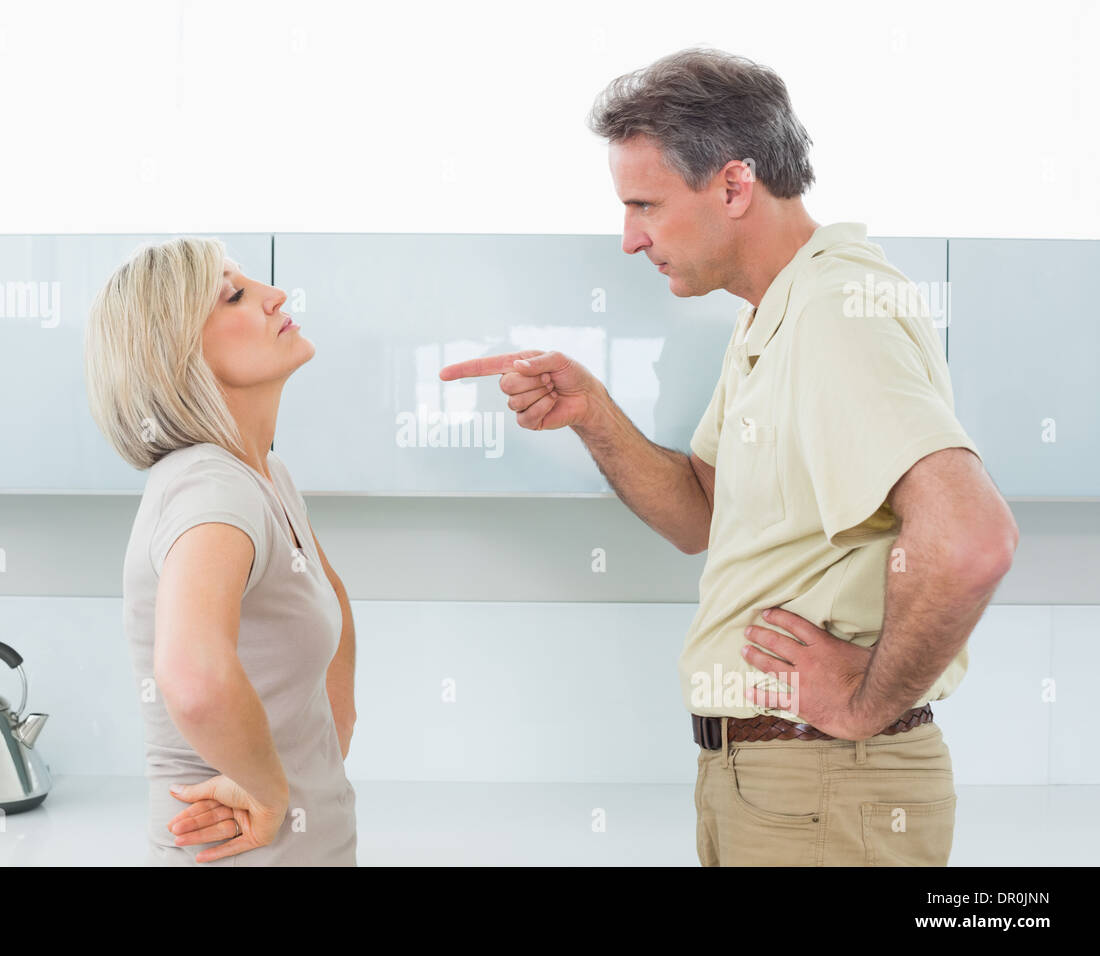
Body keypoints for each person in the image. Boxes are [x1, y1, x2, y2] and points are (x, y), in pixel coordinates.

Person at [441, 47, 1019, 866]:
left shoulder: (832, 315)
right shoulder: (770, 316)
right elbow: (699, 514)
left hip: (825, 783)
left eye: (645, 205)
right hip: (779, 784)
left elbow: (972, 540)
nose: (629, 240)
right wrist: (593, 414)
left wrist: (863, 701)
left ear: (735, 185)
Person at [84, 237, 358, 865]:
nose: (275, 296)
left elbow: (328, 596)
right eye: (234, 295)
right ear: (177, 357)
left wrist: (327, 739)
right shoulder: (211, 486)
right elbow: (194, 679)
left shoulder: (263, 474)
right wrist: (267, 793)